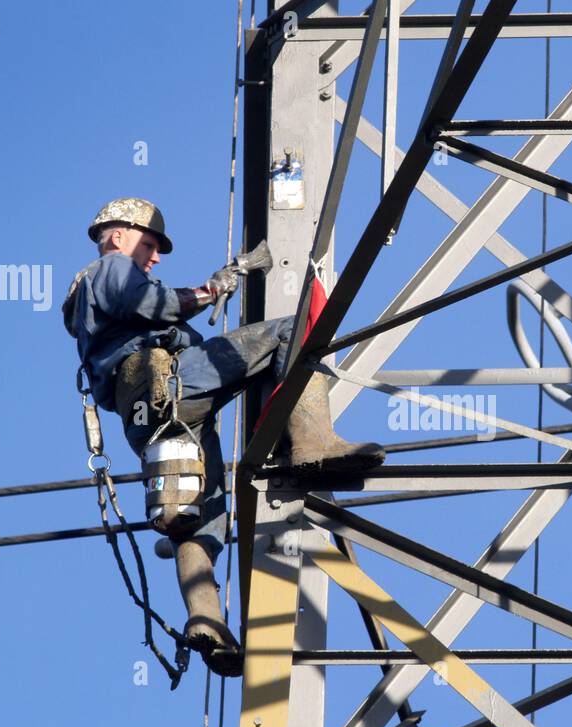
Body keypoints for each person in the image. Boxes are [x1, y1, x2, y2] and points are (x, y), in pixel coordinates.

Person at [62, 197, 384, 676]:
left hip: (150, 415)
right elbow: (156, 302)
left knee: (199, 513)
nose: (153, 257)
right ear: (117, 235)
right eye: (148, 244)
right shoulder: (110, 268)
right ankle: (312, 443)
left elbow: (160, 316)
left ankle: (205, 617)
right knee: (289, 332)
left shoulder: (93, 305)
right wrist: (210, 290)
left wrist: (202, 298)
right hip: (168, 385)